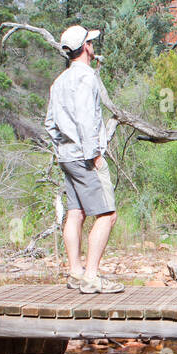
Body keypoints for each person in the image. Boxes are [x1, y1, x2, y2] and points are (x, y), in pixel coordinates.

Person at [45, 24, 124, 294]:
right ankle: (90, 276)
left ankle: (76, 272)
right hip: (84, 156)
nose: (93, 46)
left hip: (66, 156)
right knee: (107, 215)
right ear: (86, 47)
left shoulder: (59, 81)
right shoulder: (87, 77)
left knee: (75, 213)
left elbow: (49, 124)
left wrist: (63, 149)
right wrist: (94, 155)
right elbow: (86, 119)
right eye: (91, 42)